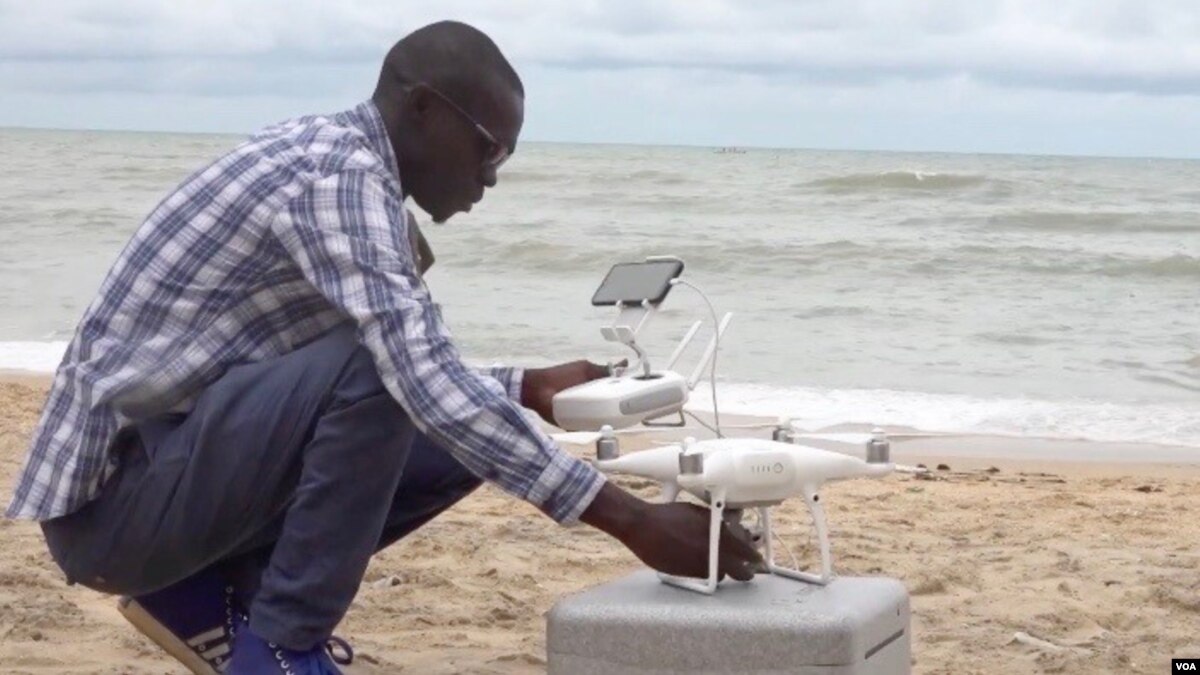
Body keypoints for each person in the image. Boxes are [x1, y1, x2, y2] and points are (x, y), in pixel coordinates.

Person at [6, 20, 761, 675]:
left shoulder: (345, 173)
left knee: (464, 429)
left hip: (169, 474)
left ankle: (206, 597)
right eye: (489, 148)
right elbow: (408, 372)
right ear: (424, 109)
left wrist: (524, 386)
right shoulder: (338, 180)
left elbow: (421, 369)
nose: (491, 178)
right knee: (387, 380)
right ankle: (277, 644)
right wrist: (633, 521)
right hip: (114, 511)